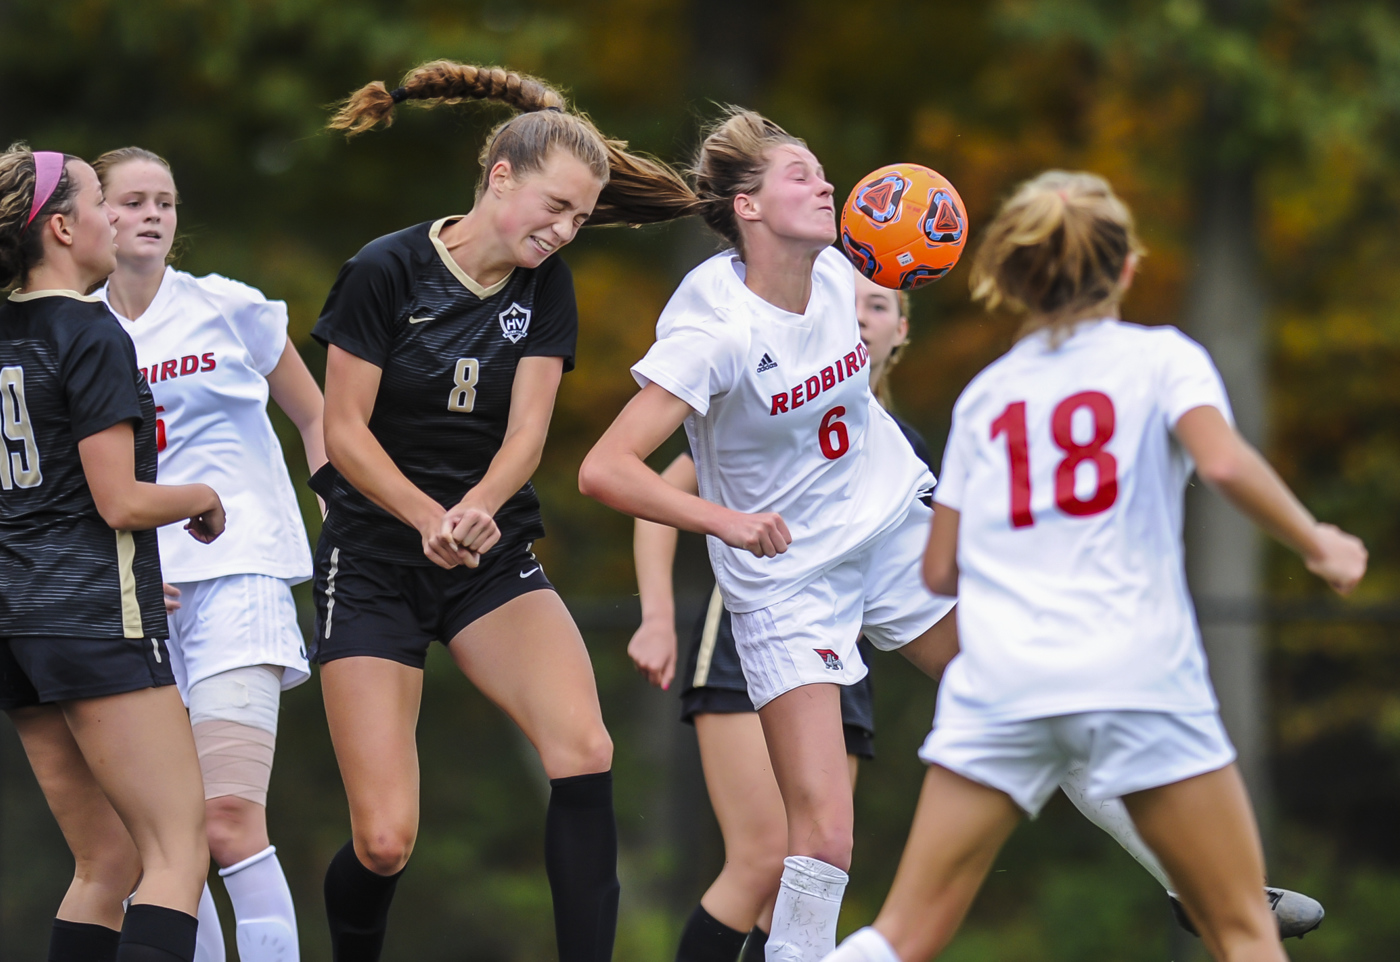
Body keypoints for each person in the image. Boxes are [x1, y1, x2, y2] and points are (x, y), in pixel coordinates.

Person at [824, 171, 1368, 962]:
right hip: (1134, 673)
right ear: (1126, 270)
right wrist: (1317, 539)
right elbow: (1221, 464)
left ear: (1012, 280)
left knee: (899, 936)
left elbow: (938, 573)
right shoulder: (1161, 360)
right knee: (1244, 929)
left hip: (1004, 681)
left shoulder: (987, 395)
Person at [311, 62, 698, 962]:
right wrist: (424, 517)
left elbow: (527, 436)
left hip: (487, 556)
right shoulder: (386, 268)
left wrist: (478, 511)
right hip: (375, 559)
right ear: (499, 178)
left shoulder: (544, 289)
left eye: (577, 219)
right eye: (554, 207)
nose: (563, 232)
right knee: (384, 840)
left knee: (586, 748)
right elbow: (342, 433)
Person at [580, 109, 961, 962]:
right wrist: (727, 522)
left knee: (1017, 686)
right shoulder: (715, 331)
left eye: (825, 172)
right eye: (802, 176)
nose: (828, 186)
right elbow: (605, 470)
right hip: (790, 583)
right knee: (819, 842)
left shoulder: (841, 271)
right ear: (748, 209)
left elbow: (899, 267)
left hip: (888, 530)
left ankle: (1195, 881)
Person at [628, 271, 925, 962]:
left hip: (842, 659)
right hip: (752, 638)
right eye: (852, 304)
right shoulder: (777, 408)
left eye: (880, 306)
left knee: (817, 860)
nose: (863, 317)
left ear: (902, 330)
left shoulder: (896, 446)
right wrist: (656, 614)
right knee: (763, 856)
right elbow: (654, 494)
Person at [94, 146, 325, 962]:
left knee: (227, 821)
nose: (152, 214)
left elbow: (315, 416)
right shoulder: (74, 327)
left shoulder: (227, 308)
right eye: (132, 201)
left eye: (166, 201)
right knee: (166, 841)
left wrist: (340, 505)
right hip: (134, 600)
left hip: (238, 577)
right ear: (92, 215)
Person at [0, 145, 226, 962]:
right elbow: (120, 502)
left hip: (17, 626)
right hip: (96, 614)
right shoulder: (89, 331)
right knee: (175, 853)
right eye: (102, 203)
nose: (116, 220)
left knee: (107, 863)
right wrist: (201, 497)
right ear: (62, 228)